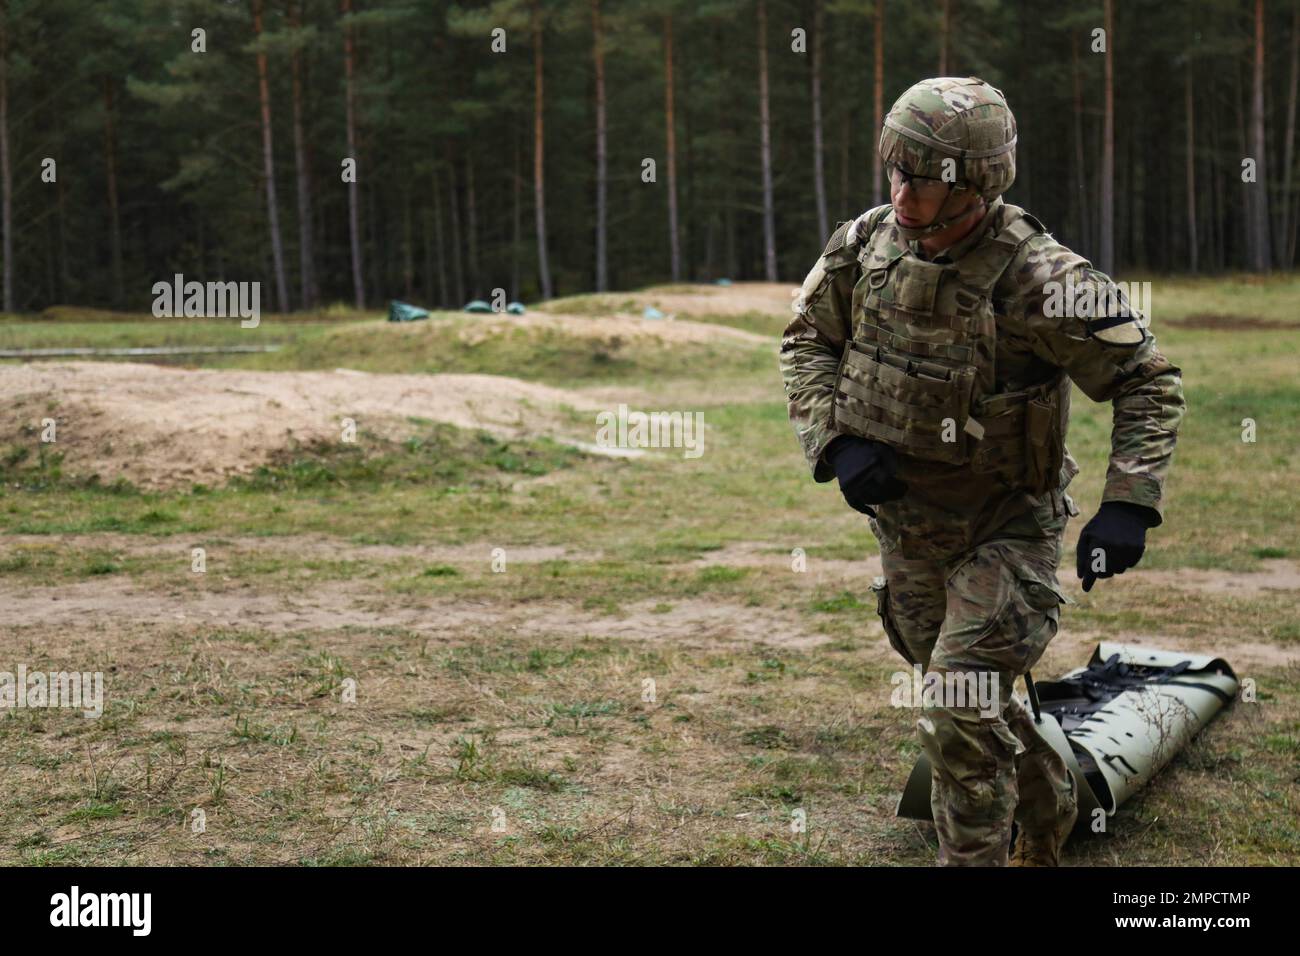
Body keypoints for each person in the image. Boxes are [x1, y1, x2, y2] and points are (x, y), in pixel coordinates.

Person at [779, 76, 1186, 866]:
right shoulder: (866, 246)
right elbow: (805, 342)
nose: (902, 192)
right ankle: (1052, 803)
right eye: (895, 170)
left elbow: (1146, 379)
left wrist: (1128, 504)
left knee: (956, 709)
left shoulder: (1041, 278)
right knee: (972, 702)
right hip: (908, 528)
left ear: (977, 182)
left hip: (1006, 526)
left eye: (924, 179)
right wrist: (834, 441)